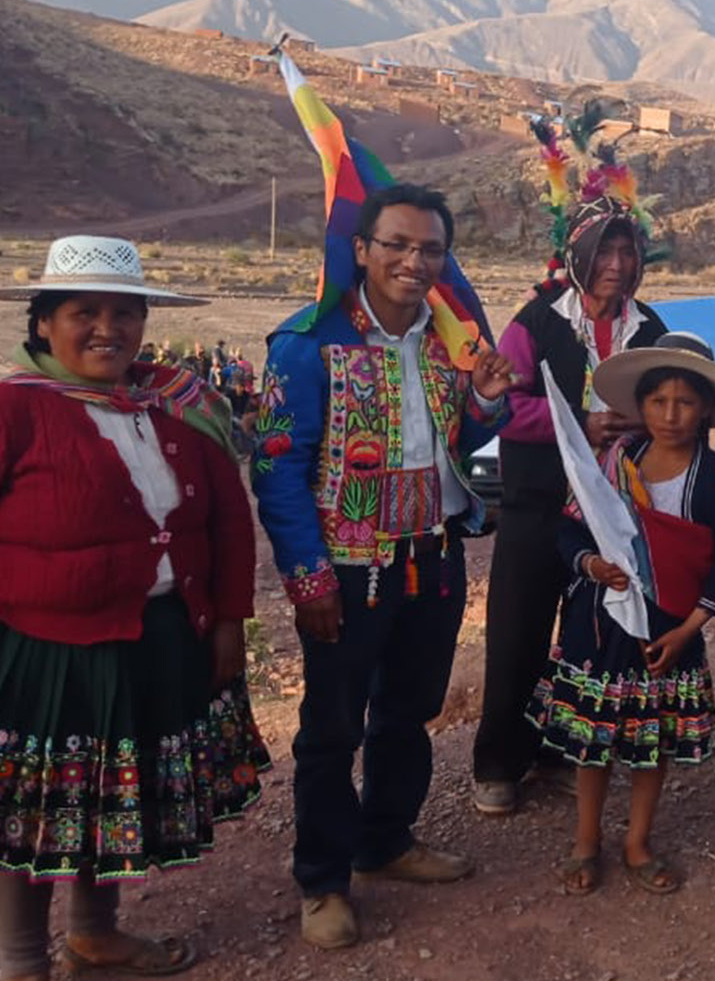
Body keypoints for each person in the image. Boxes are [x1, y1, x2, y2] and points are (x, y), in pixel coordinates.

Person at [252, 184, 515, 950]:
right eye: (397, 244)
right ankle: (323, 878)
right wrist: (308, 578)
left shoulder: (444, 343)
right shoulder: (306, 345)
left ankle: (387, 839)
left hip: (431, 558)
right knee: (331, 726)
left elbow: (454, 440)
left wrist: (487, 404)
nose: (414, 260)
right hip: (348, 569)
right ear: (361, 248)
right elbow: (276, 470)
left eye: (430, 248)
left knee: (409, 711)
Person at [0, 236, 269, 980]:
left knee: (112, 790)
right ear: (44, 323)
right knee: (29, 807)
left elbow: (225, 523)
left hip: (158, 634)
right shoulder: (14, 410)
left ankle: (96, 932)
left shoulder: (180, 405)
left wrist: (226, 619)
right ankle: (21, 959)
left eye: (125, 313)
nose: (107, 329)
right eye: (84, 311)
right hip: (45, 646)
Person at [475, 157, 670, 816]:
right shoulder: (536, 322)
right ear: (577, 253)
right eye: (603, 249)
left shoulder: (652, 330)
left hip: (613, 514)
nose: (616, 262)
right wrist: (578, 424)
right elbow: (506, 406)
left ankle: (562, 751)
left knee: (588, 638)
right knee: (517, 633)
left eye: (626, 248)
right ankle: (500, 762)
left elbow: (672, 401)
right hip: (537, 508)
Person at [530, 333, 715, 896]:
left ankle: (637, 841)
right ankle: (586, 839)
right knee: (594, 739)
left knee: (649, 740)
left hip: (667, 632)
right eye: (658, 402)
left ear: (705, 408)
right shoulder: (613, 461)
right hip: (601, 624)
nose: (671, 415)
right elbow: (570, 528)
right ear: (641, 406)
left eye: (684, 402)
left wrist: (687, 631)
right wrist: (589, 564)